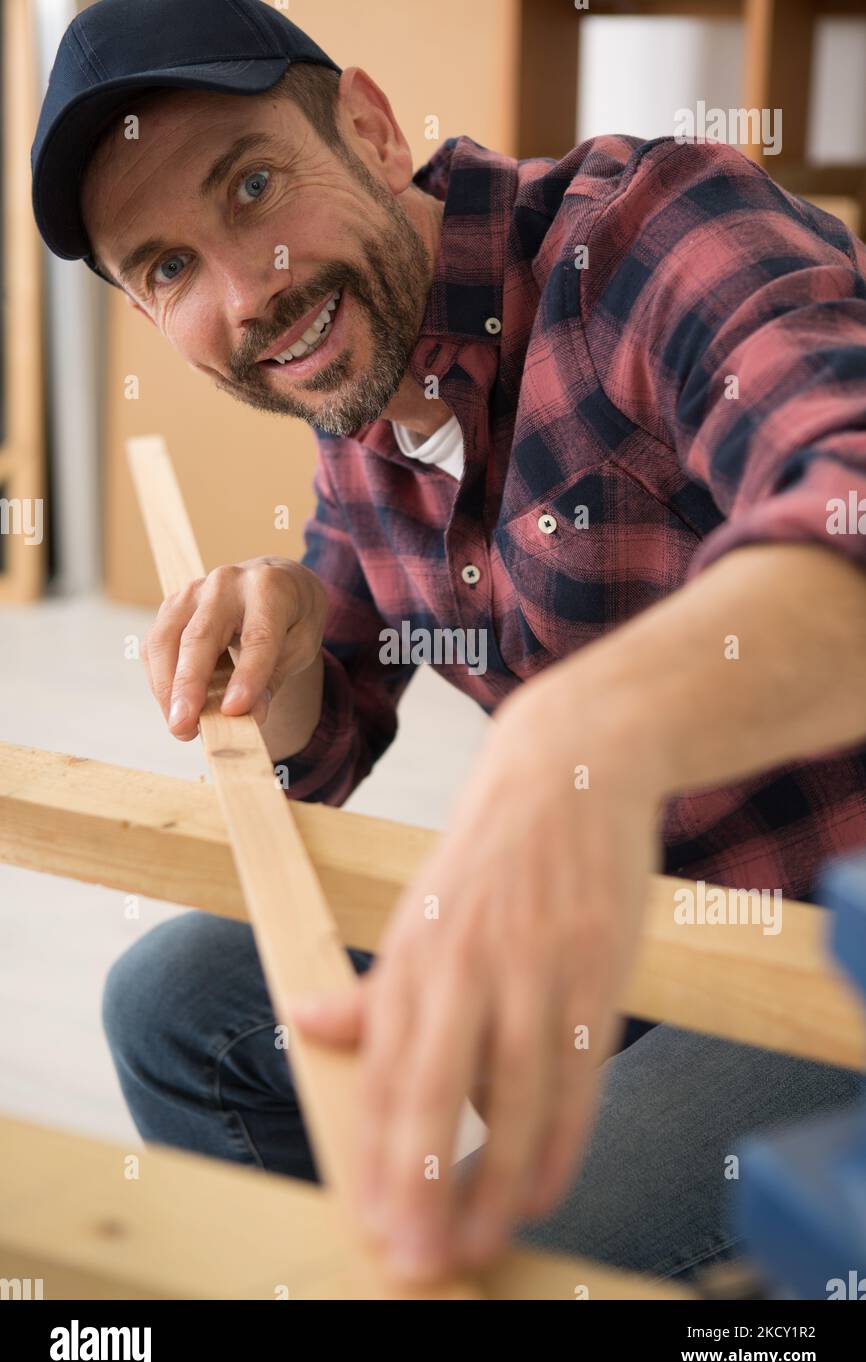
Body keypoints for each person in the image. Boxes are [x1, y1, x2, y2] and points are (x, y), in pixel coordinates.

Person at [31, 0, 866, 1288]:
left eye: (254, 186)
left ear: (368, 130)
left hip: (832, 936)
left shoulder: (656, 236)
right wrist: (295, 648)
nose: (248, 297)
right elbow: (333, 733)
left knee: (496, 1256)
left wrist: (585, 730)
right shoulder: (356, 363)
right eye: (168, 269)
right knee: (178, 1008)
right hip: (629, 908)